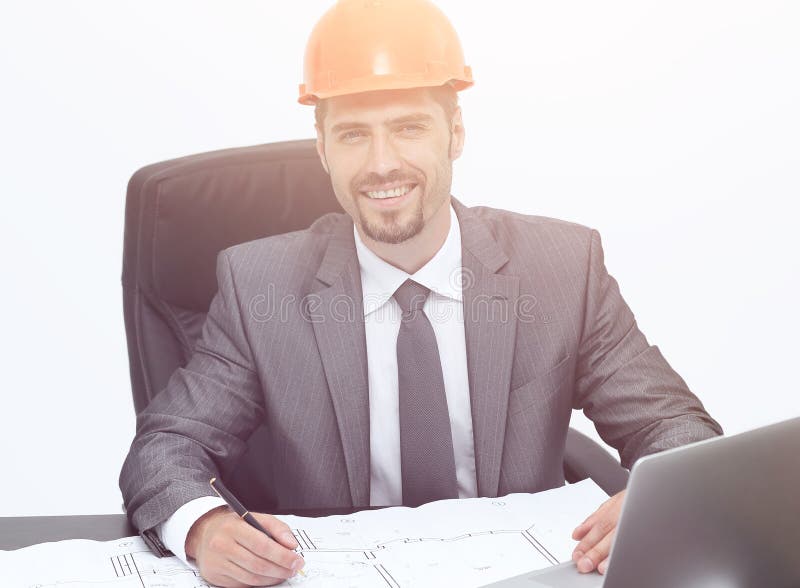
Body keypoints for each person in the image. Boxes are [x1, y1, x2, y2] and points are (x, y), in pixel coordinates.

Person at [119, 1, 723, 586]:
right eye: (354, 135)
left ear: (455, 133)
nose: (382, 164)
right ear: (323, 149)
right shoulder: (260, 286)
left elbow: (675, 427)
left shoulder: (562, 268)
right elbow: (168, 445)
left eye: (408, 128)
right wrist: (202, 527)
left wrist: (653, 502)